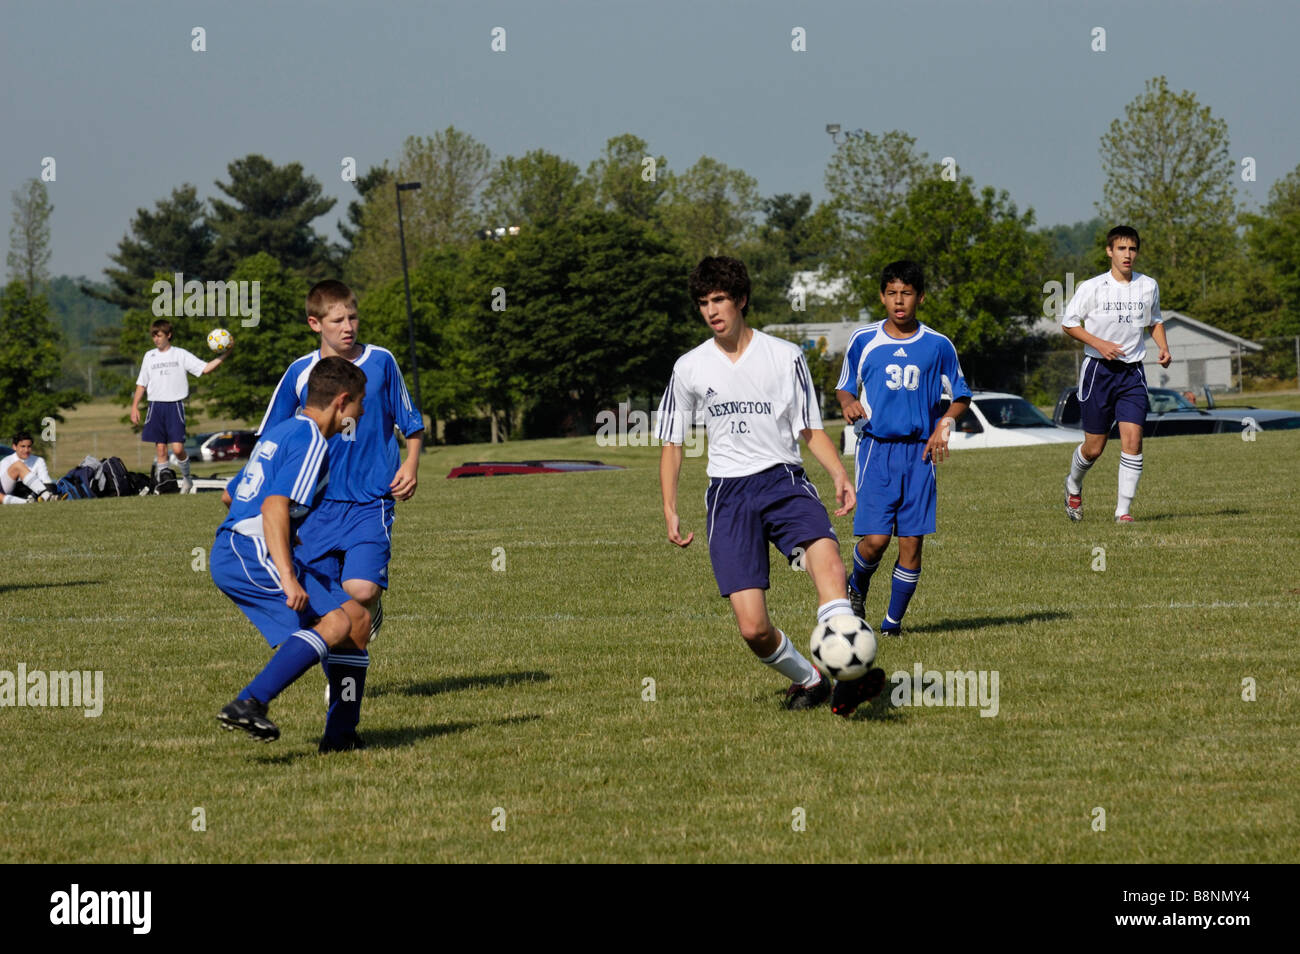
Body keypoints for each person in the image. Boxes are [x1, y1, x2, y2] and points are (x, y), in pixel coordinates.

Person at [657, 256, 885, 718]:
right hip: (728, 495)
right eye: (703, 303)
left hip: (782, 480)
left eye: (719, 299)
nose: (711, 310)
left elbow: (809, 429)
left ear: (741, 300)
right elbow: (673, 442)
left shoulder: (785, 356)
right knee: (753, 629)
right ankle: (811, 677)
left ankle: (850, 671)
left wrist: (840, 475)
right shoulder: (689, 367)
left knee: (827, 559)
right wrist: (669, 507)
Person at [257, 280, 424, 749]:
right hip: (315, 511)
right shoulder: (299, 373)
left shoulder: (382, 361)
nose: (348, 327)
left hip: (372, 500)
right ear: (315, 324)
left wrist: (411, 463)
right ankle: (344, 692)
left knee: (360, 591)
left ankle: (369, 611)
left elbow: (410, 421)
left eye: (353, 317)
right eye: (337, 320)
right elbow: (272, 435)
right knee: (331, 617)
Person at [212, 356, 371, 746]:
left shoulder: (285, 430)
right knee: (333, 625)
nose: (362, 412)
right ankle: (249, 703)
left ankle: (340, 737)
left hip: (250, 543)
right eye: (360, 403)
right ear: (342, 401)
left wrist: (287, 533)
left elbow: (231, 493)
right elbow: (272, 506)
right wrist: (286, 572)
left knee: (355, 621)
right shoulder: (312, 440)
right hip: (248, 549)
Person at [836, 260, 971, 640]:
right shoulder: (864, 339)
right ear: (882, 296)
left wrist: (944, 424)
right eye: (892, 293)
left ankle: (891, 627)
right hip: (876, 451)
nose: (899, 301)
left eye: (907, 294)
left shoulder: (937, 344)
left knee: (911, 543)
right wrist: (847, 402)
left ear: (920, 297)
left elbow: (961, 395)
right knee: (876, 540)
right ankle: (856, 588)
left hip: (919, 455)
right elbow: (845, 385)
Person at [1061, 225, 1171, 523]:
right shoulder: (1092, 287)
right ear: (1110, 251)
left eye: (1132, 249)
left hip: (1132, 373)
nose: (1128, 255)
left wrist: (1163, 347)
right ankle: (1073, 483)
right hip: (1098, 372)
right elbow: (1069, 323)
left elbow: (1155, 321)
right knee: (1094, 448)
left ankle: (1123, 511)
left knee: (1133, 440)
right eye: (1121, 249)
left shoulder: (1148, 285)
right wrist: (1100, 344)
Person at [130, 319, 230, 492]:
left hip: (174, 406)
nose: (156, 339)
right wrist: (134, 406)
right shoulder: (149, 356)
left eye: (159, 335)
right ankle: (164, 484)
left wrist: (225, 355)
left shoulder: (180, 354)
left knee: (177, 449)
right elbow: (141, 384)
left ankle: (187, 478)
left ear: (169, 335)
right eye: (154, 336)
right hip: (155, 406)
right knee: (161, 450)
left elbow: (205, 369)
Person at [2, 431, 60, 503]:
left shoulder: (39, 460)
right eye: (22, 446)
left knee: (50, 486)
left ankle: (34, 499)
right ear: (14, 447)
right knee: (18, 465)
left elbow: (46, 481)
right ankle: (47, 496)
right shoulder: (6, 461)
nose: (26, 450)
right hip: (8, 491)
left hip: (33, 493)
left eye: (29, 446)